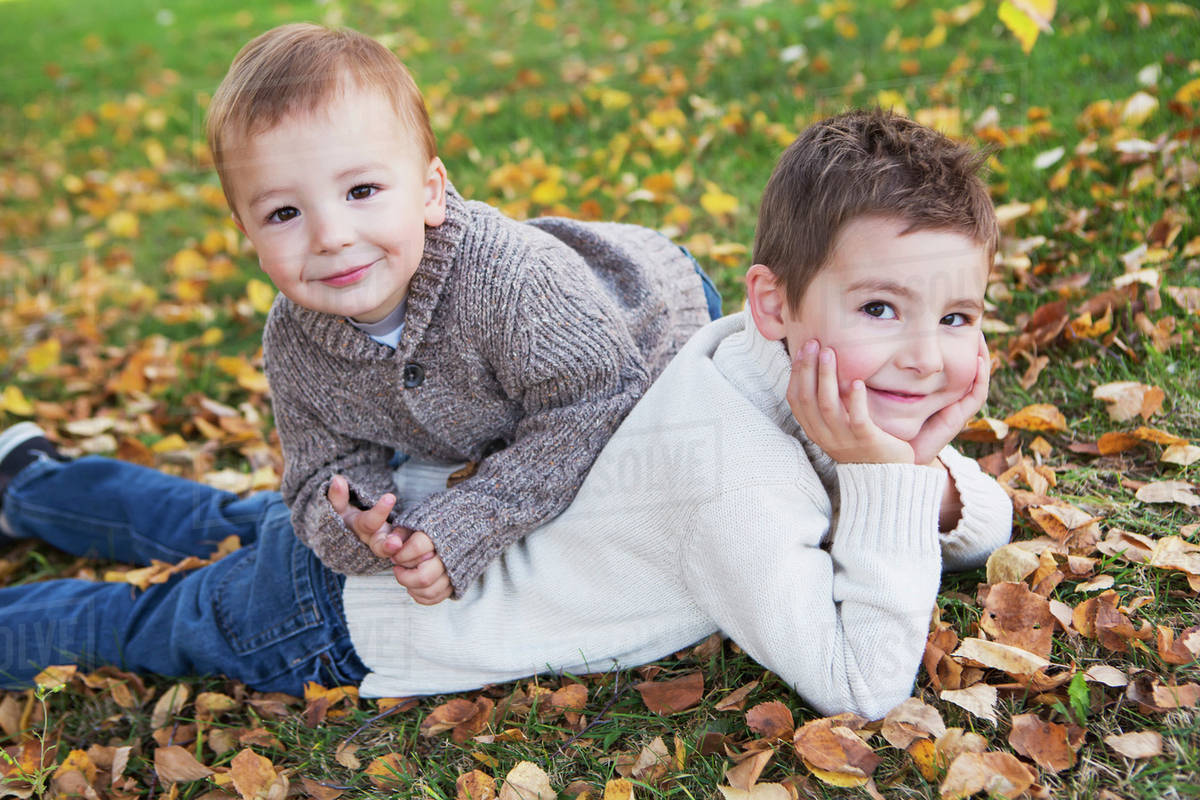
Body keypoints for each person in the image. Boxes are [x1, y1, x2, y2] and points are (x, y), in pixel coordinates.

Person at [0, 109, 1011, 719]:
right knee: (141, 620)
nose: (926, 354)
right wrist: (887, 477)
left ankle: (32, 483)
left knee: (240, 525)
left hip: (406, 517)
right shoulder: (733, 488)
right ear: (774, 304)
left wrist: (912, 471)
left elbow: (985, 522)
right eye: (881, 307)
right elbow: (863, 680)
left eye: (957, 313)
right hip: (364, 619)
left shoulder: (774, 366)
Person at [205, 23, 718, 604]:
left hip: (649, 318)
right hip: (533, 381)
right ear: (246, 232)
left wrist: (470, 517)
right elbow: (322, 467)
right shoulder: (294, 341)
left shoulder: (509, 283)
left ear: (429, 192)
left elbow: (595, 406)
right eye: (284, 213)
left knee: (655, 472)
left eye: (361, 191)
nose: (330, 236)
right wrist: (362, 522)